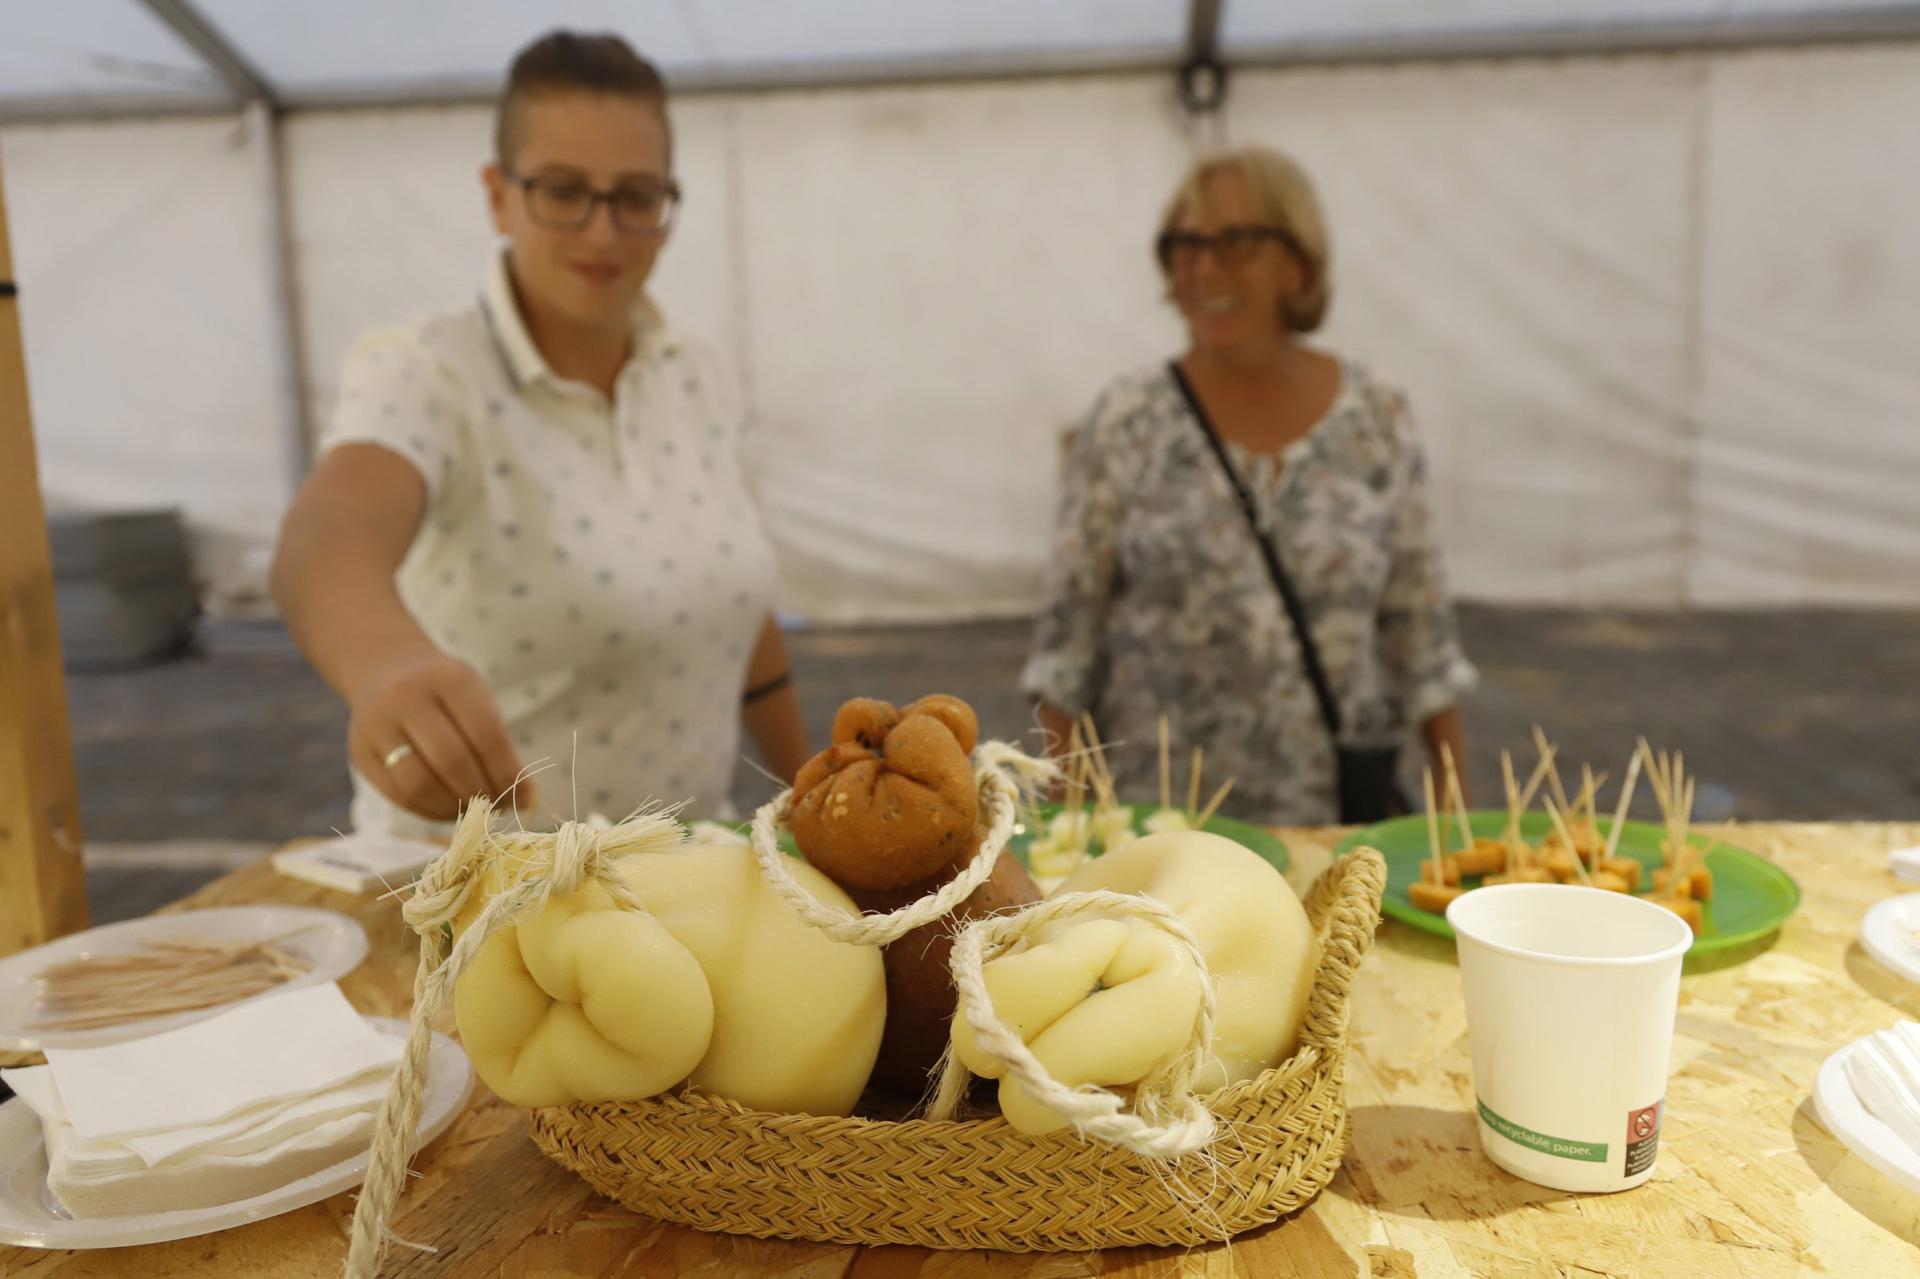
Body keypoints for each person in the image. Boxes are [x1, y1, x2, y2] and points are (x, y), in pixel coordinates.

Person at [272, 31, 808, 836]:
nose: (603, 232)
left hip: (684, 879)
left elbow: (734, 602)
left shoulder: (695, 371)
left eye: (636, 197)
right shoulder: (429, 372)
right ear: (499, 194)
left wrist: (812, 791)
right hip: (481, 898)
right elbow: (331, 529)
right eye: (562, 191)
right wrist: (385, 664)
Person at [1022, 146, 1474, 824]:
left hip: (1331, 832)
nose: (1204, 266)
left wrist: (1456, 823)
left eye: (1235, 241)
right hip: (1160, 834)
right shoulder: (1128, 419)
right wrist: (1058, 831)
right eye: (1185, 245)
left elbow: (1423, 639)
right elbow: (1067, 647)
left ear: (1298, 260)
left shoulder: (1375, 417)